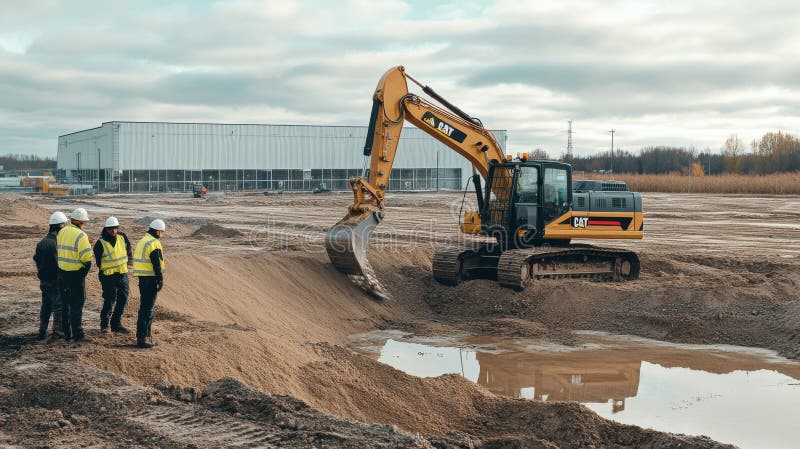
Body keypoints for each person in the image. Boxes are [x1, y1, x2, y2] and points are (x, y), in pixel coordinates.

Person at [56, 207, 93, 342]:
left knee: (66, 305)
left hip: (62, 274)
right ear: (82, 222)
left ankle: (67, 333)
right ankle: (78, 334)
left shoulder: (62, 232)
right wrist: (83, 274)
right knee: (77, 305)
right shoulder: (81, 235)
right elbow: (86, 259)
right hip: (75, 276)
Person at [93, 216, 133, 334]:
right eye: (110, 228)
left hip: (122, 274)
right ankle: (104, 325)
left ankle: (116, 324)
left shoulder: (122, 237)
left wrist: (129, 262)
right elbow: (99, 262)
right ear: (106, 229)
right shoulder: (100, 243)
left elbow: (128, 250)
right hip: (108, 276)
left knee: (123, 298)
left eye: (115, 228)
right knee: (109, 299)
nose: (113, 231)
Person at [33, 211, 68, 339]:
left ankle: (42, 329)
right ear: (60, 226)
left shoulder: (42, 242)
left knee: (46, 305)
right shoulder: (55, 244)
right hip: (54, 280)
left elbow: (36, 258)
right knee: (58, 304)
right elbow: (58, 263)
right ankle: (58, 330)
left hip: (44, 280)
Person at [132, 219, 165, 349]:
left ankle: (145, 336)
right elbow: (156, 263)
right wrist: (160, 279)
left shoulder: (143, 240)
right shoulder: (154, 243)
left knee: (144, 308)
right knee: (147, 309)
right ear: (157, 231)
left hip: (142, 278)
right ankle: (142, 338)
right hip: (150, 279)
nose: (161, 234)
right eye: (161, 232)